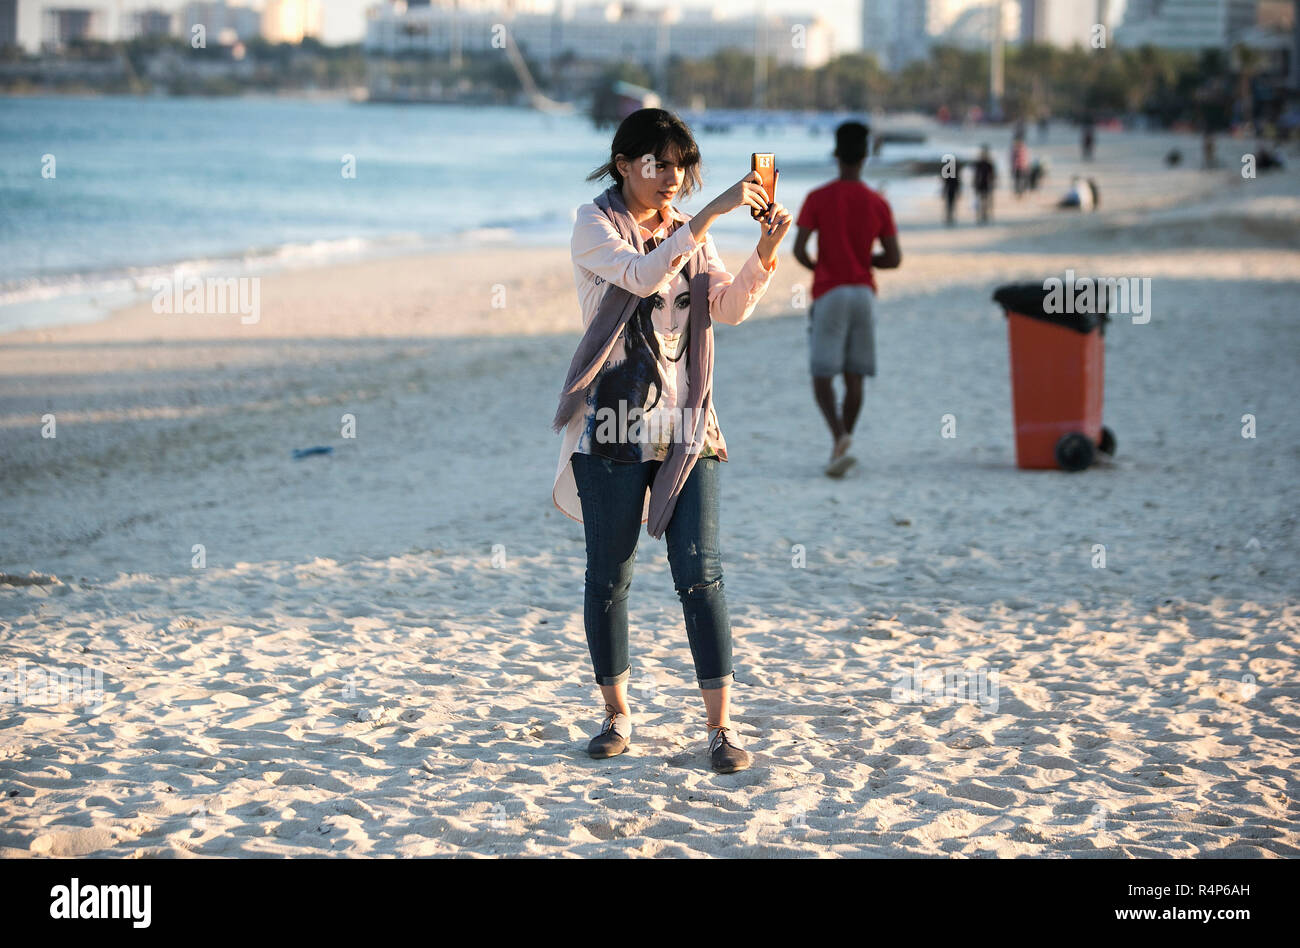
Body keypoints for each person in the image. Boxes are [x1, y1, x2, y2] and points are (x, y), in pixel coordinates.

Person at [551, 108, 792, 773]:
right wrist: (707, 215)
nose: (671, 176)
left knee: (701, 573)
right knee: (612, 572)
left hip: (689, 421)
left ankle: (720, 729)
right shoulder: (594, 224)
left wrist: (765, 252)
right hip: (613, 422)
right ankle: (616, 714)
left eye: (680, 165)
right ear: (624, 163)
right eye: (657, 163)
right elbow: (642, 276)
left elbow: (731, 308)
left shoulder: (691, 233)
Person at [792, 121, 902, 478]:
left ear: (836, 154)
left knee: (822, 374)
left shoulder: (818, 197)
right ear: (866, 156)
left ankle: (839, 437)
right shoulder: (878, 202)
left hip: (831, 291)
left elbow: (798, 248)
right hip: (864, 294)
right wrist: (862, 259)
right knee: (855, 374)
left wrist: (821, 265)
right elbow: (894, 258)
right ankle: (844, 441)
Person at [972, 145, 996, 224]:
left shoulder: (988, 164)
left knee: (985, 200)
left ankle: (984, 214)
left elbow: (992, 176)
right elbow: (975, 174)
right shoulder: (979, 163)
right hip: (980, 184)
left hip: (985, 184)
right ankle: (981, 214)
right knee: (980, 200)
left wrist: (992, 183)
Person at [940, 158, 962, 226]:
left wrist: (943, 191)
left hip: (949, 188)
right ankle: (950, 216)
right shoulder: (955, 171)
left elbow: (945, 182)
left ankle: (949, 216)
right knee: (951, 203)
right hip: (953, 188)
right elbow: (958, 181)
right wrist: (959, 191)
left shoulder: (947, 171)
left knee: (949, 203)